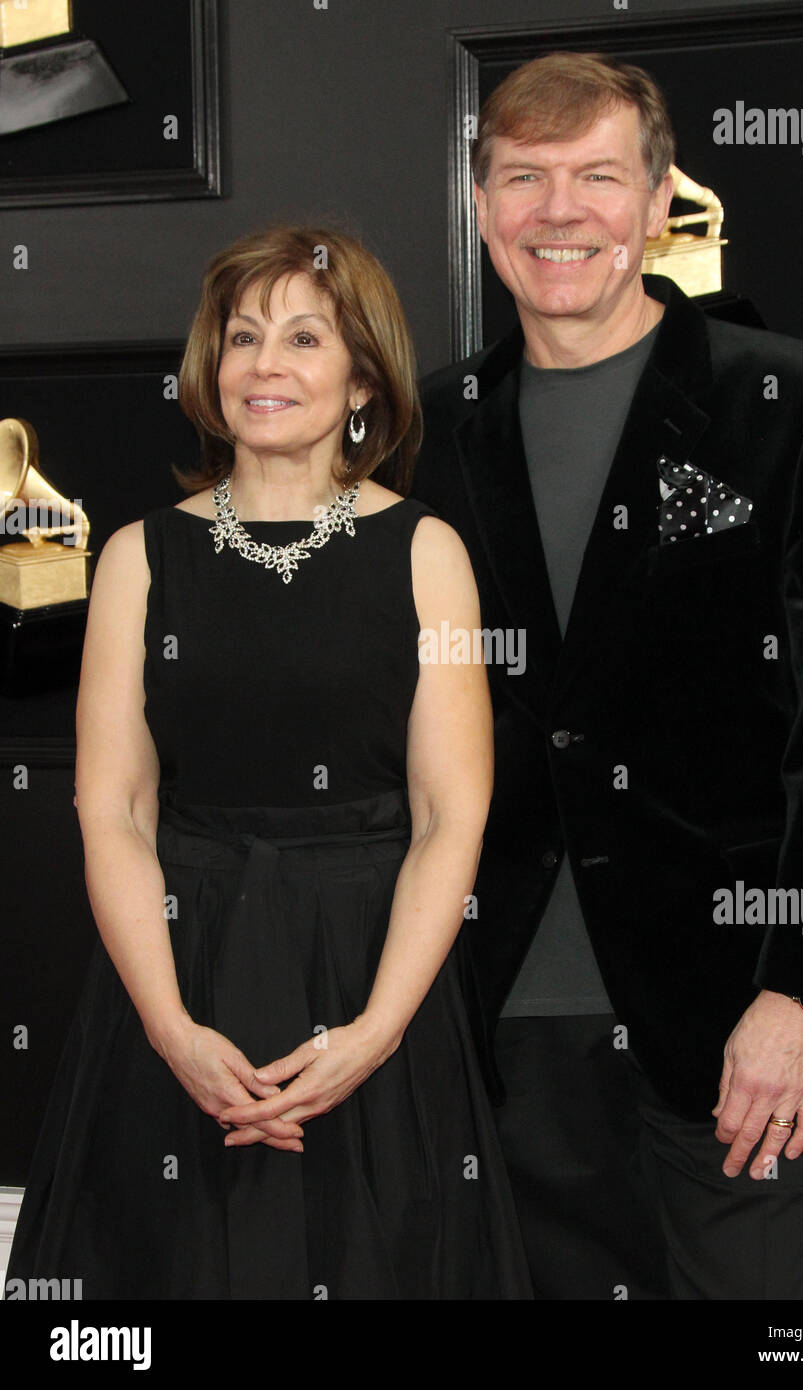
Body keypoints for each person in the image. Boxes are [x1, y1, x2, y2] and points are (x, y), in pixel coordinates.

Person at [410, 52, 803, 1300]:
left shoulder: (798, 407)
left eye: (597, 176)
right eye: (524, 178)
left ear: (655, 202)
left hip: (743, 1033)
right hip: (502, 1036)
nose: (559, 211)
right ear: (482, 207)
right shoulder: (424, 434)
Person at [5, 225, 532, 1300]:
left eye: (303, 337)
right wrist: (171, 1030)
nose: (264, 365)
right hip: (177, 981)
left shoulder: (429, 554)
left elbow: (450, 814)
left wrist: (374, 1035)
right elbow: (112, 807)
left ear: (362, 382)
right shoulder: (136, 558)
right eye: (243, 337)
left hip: (374, 985)